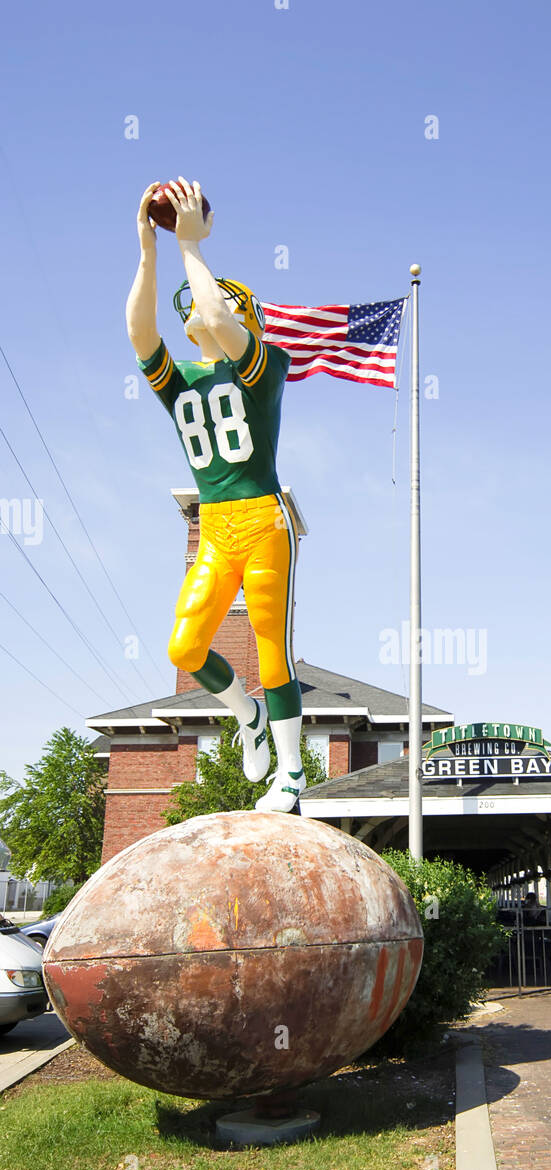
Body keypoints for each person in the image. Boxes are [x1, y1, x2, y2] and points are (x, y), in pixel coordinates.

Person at [125, 177, 304, 812]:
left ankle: (290, 770)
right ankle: (245, 713)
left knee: (269, 643)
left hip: (262, 518)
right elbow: (141, 335)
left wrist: (191, 246)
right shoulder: (182, 383)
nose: (204, 305)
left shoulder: (264, 364)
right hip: (216, 526)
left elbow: (222, 320)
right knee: (185, 646)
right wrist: (150, 248)